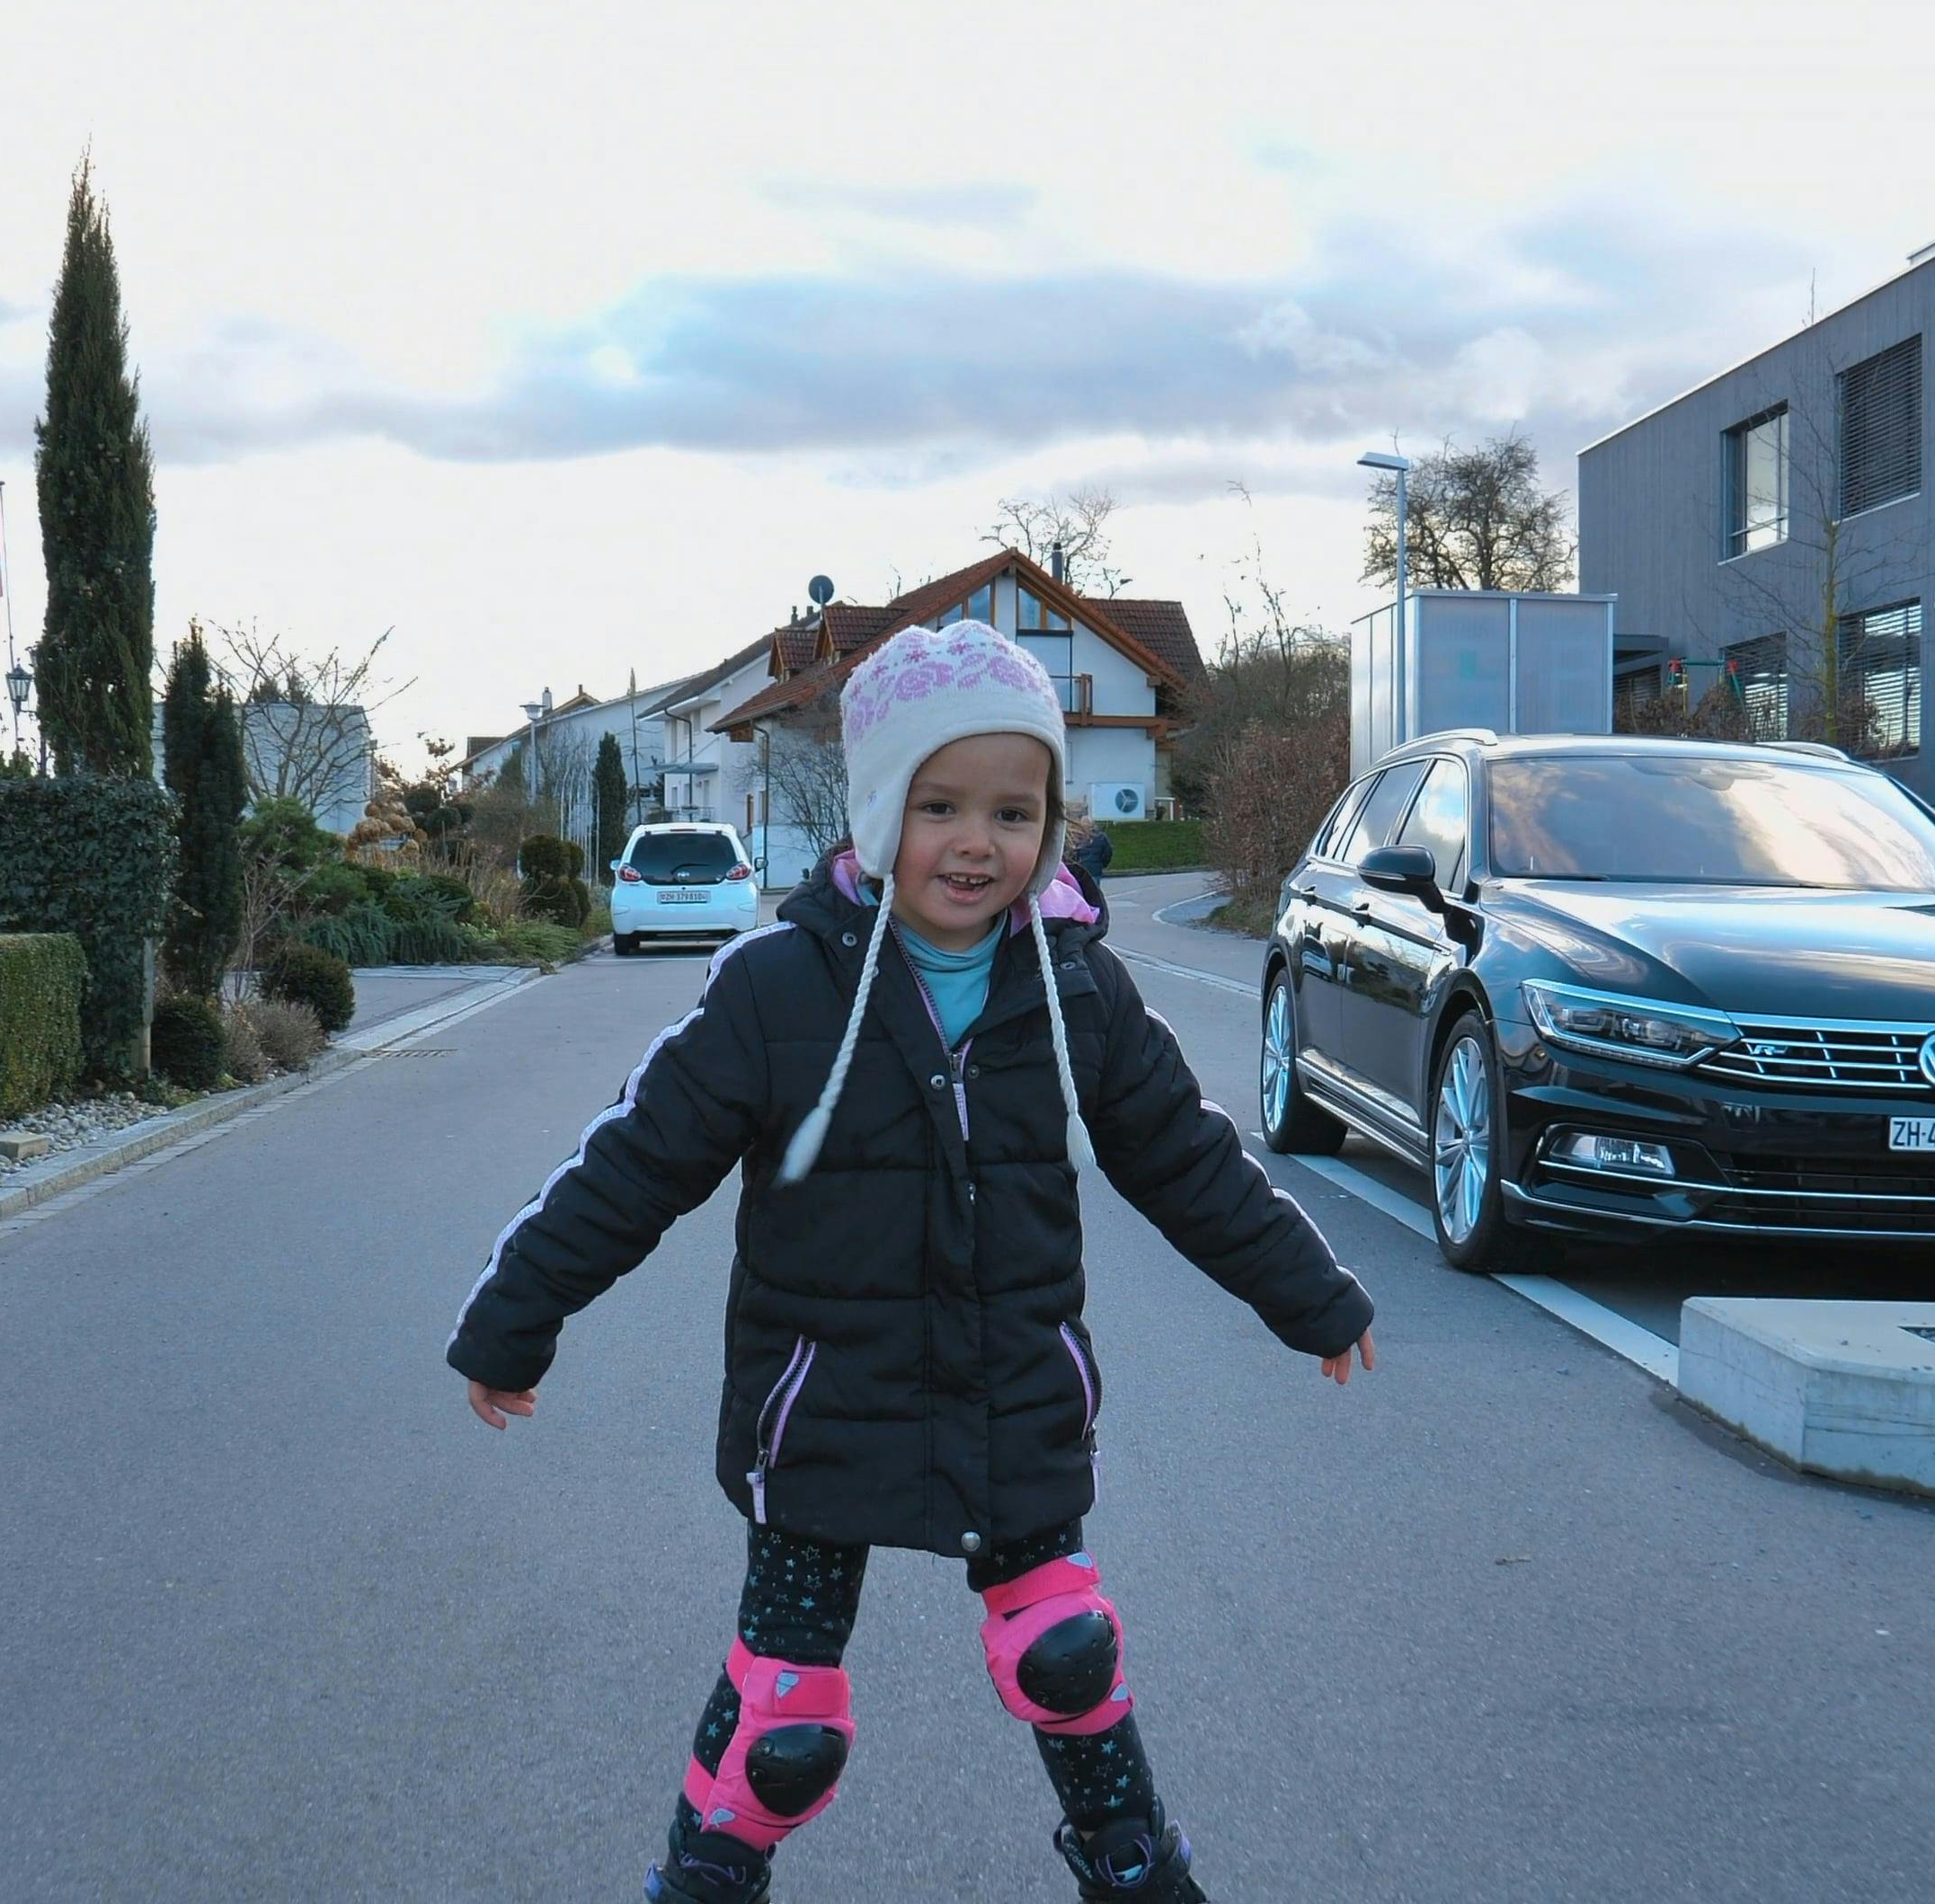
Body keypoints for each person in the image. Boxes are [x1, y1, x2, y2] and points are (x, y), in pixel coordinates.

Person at [450, 618, 1377, 1902]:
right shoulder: (775, 990)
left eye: (1013, 811)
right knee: (787, 1725)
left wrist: (1310, 1296)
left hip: (1014, 1393)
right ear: (881, 811)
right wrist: (517, 1317)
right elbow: (634, 1164)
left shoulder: (1077, 986)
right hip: (822, 1406)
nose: (977, 842)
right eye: (939, 806)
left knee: (1069, 1656)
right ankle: (705, 1881)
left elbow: (1187, 1159)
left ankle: (1137, 1875)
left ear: (1048, 824)